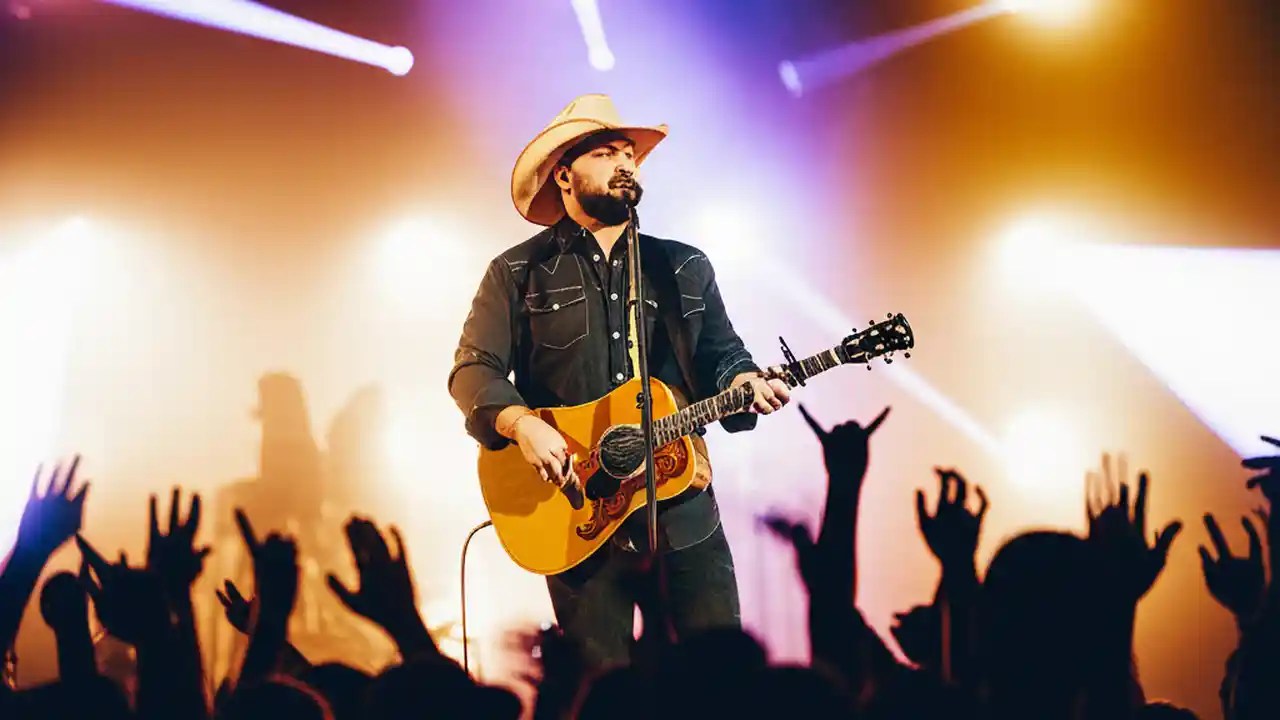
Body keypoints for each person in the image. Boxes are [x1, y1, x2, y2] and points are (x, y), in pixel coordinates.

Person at [448, 94, 791, 668]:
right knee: (599, 690)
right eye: (606, 153)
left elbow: (722, 355)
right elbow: (472, 369)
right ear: (563, 174)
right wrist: (522, 424)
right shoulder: (516, 272)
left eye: (628, 153)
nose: (625, 163)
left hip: (681, 510)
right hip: (577, 514)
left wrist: (746, 380)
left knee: (721, 684)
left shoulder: (682, 266)